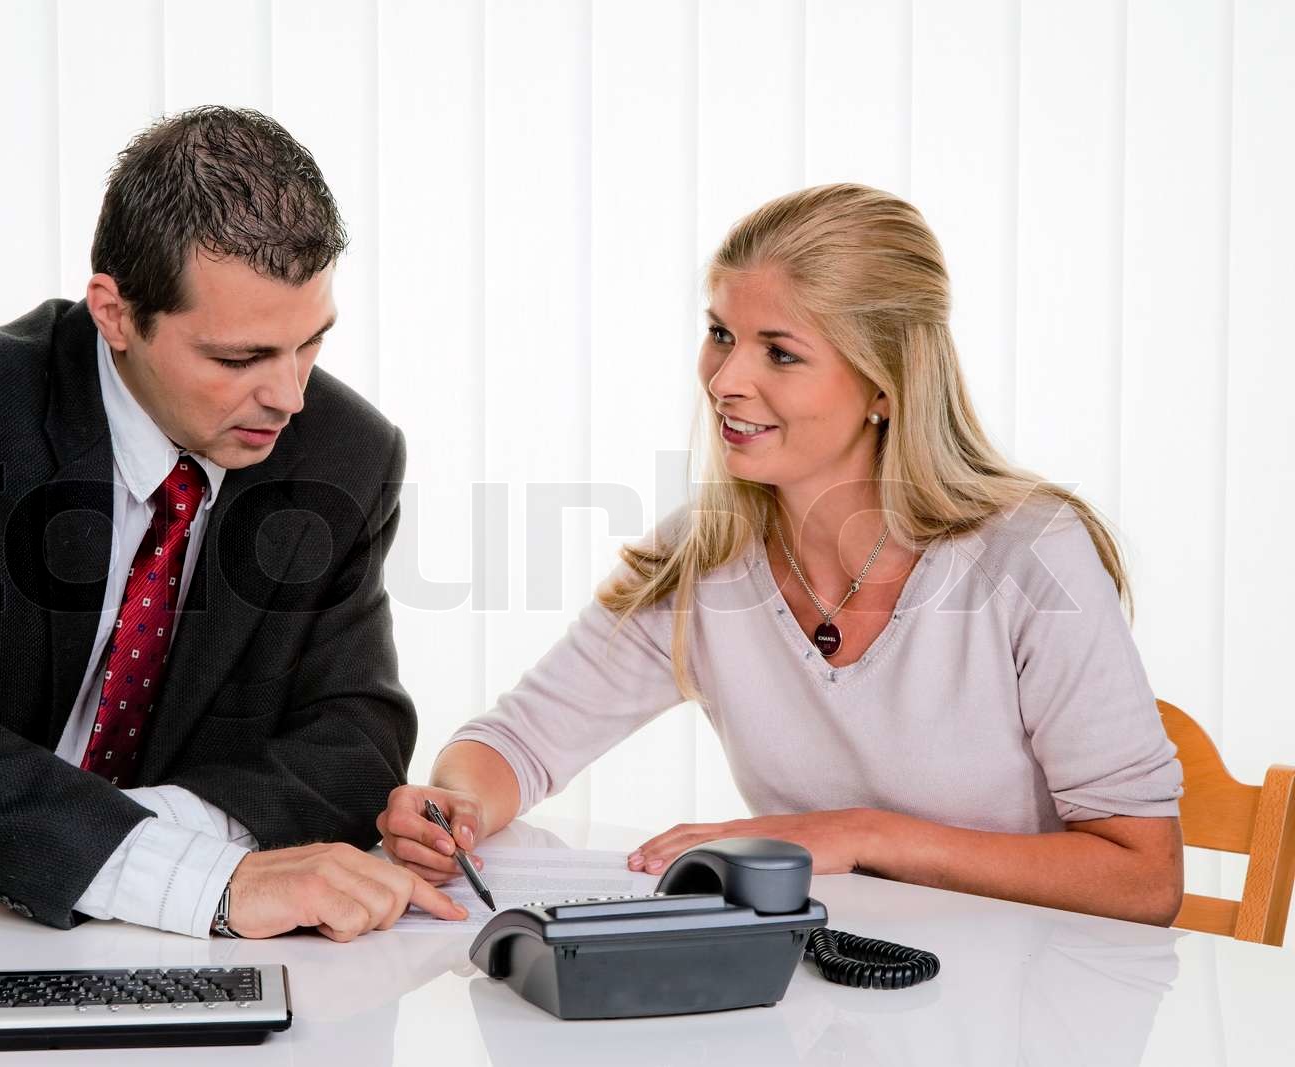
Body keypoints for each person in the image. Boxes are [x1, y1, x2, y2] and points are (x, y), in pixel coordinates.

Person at [0, 106, 465, 940]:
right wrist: (208, 880)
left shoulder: (344, 454)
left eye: (310, 342)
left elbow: (356, 740)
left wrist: (78, 837)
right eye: (238, 358)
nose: (289, 394)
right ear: (115, 312)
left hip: (114, 944)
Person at [379, 183, 1185, 926]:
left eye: (781, 352)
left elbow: (1144, 878)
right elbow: (519, 741)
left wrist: (861, 834)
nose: (726, 379)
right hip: (826, 996)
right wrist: (458, 805)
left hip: (1027, 1006)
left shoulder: (1028, 554)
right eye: (721, 334)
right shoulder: (703, 556)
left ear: (885, 382)